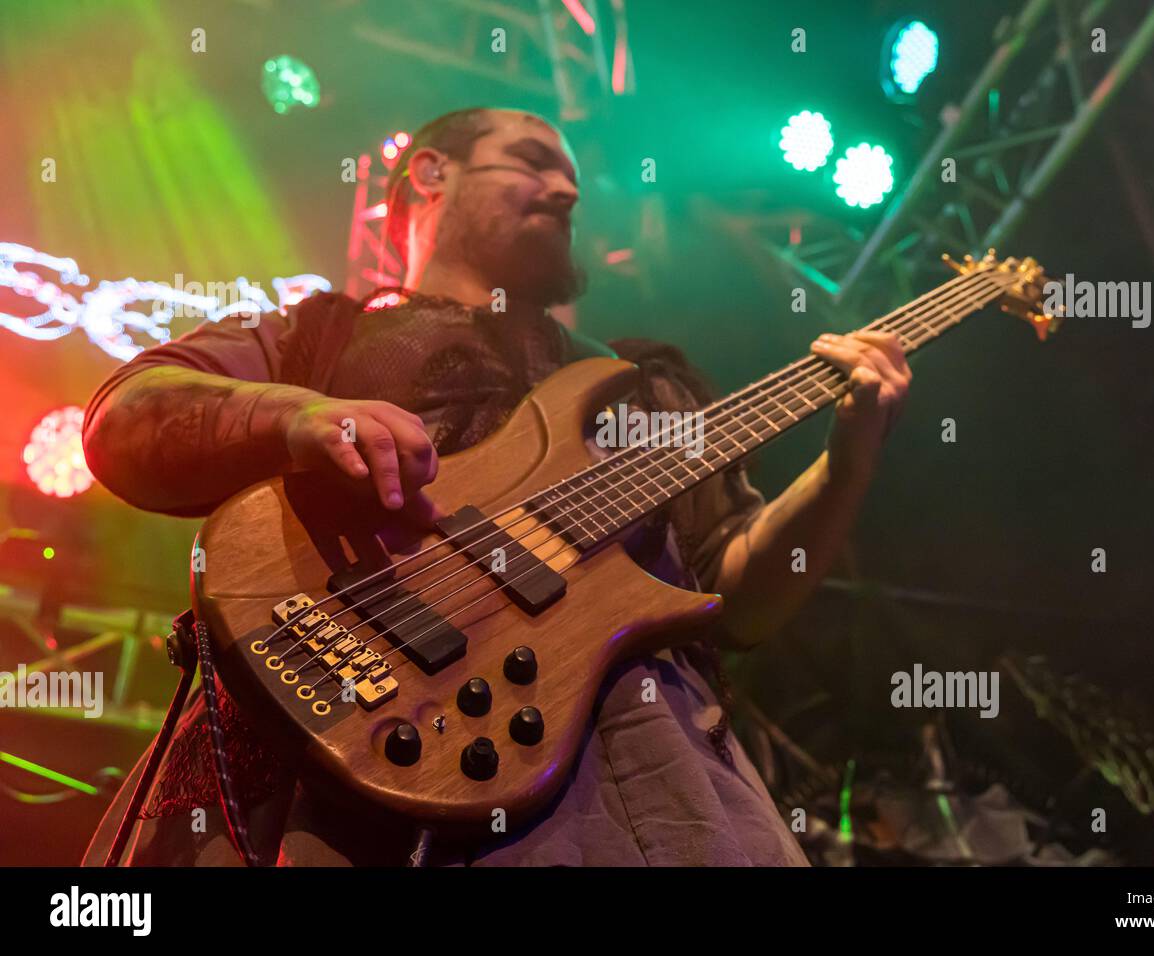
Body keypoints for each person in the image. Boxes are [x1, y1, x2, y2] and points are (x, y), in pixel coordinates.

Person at [80, 108, 910, 866]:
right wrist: (300, 418)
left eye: (573, 177)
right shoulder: (322, 333)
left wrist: (849, 461)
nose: (568, 188)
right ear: (432, 174)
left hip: (647, 765)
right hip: (332, 738)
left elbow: (742, 597)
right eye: (533, 161)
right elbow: (125, 422)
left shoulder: (635, 384)